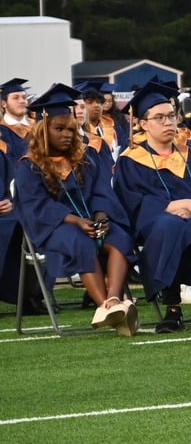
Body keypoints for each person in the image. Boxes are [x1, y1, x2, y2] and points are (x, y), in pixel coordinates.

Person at [110, 81, 191, 333]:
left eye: (171, 115)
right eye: (159, 117)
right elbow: (130, 203)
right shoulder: (130, 161)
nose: (168, 122)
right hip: (161, 224)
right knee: (169, 226)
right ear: (143, 124)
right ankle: (172, 308)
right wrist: (174, 205)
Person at [11, 85, 137, 332]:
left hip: (91, 222)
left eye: (70, 129)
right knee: (81, 243)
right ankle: (108, 307)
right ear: (43, 130)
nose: (67, 135)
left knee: (120, 237)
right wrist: (76, 221)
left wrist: (101, 215)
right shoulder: (29, 165)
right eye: (59, 129)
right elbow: (38, 206)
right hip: (56, 227)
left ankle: (112, 301)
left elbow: (102, 190)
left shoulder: (85, 158)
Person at [76, 81, 130, 155]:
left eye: (99, 102)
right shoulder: (77, 136)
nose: (96, 105)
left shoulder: (111, 127)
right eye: (90, 102)